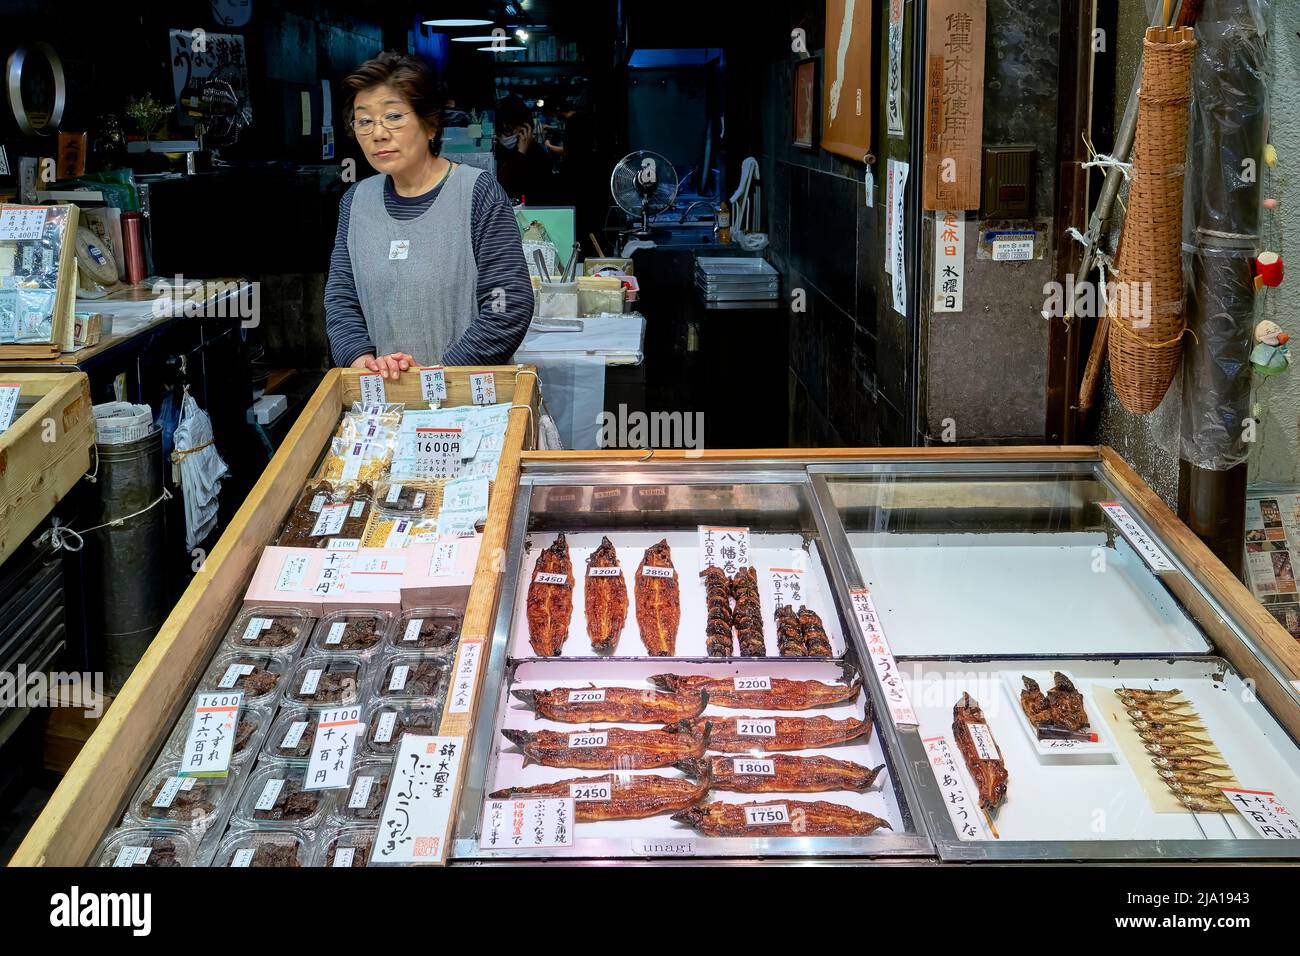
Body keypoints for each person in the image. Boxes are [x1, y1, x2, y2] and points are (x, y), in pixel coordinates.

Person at [325, 52, 532, 380]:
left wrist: (439, 376)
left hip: (465, 403)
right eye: (364, 120)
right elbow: (341, 299)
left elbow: (506, 304)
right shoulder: (355, 202)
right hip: (383, 405)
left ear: (431, 124)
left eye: (393, 117)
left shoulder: (477, 193)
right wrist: (362, 362)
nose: (378, 133)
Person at [493, 94, 554, 204]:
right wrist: (519, 155)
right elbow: (498, 188)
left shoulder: (538, 155)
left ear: (526, 127)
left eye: (512, 128)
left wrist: (520, 154)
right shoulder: (495, 151)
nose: (508, 135)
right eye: (504, 130)